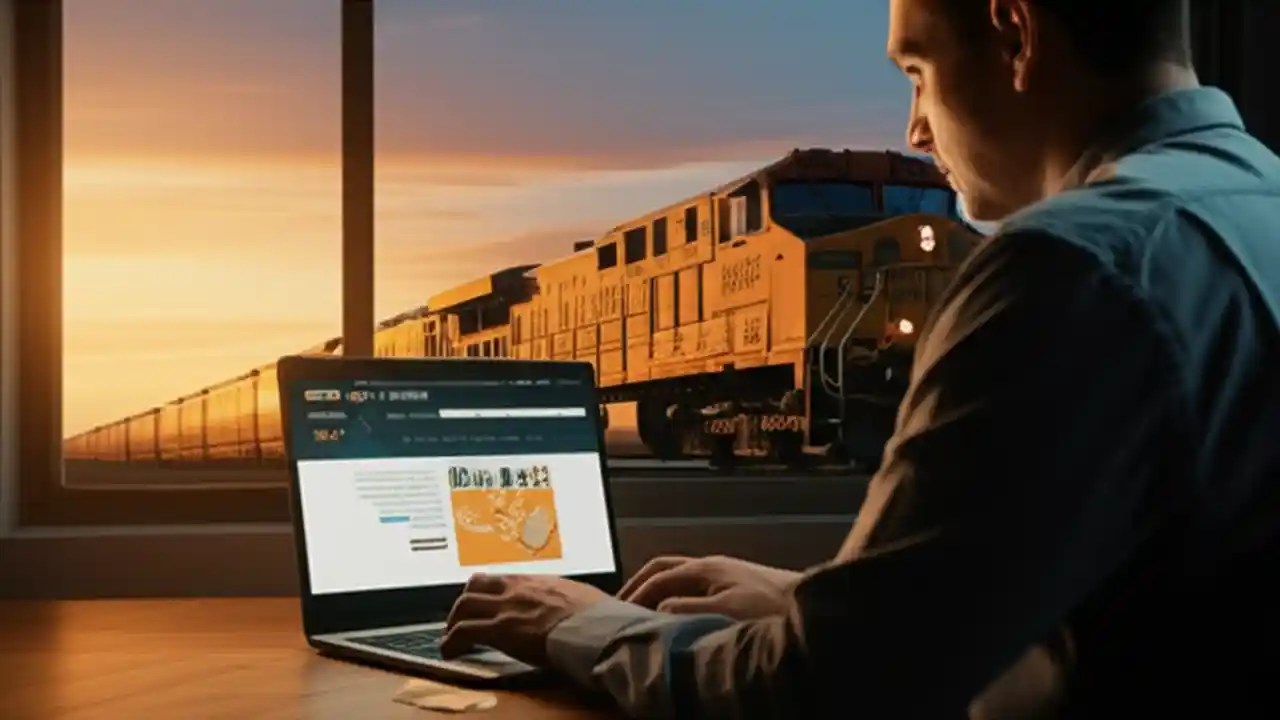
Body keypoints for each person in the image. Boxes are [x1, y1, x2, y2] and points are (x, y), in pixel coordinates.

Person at [441, 0, 1280, 716]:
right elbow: (1145, 617)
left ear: (1014, 31)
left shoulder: (1071, 266)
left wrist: (577, 622)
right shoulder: (1254, 206)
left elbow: (829, 692)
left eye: (916, 71)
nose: (914, 127)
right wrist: (822, 603)